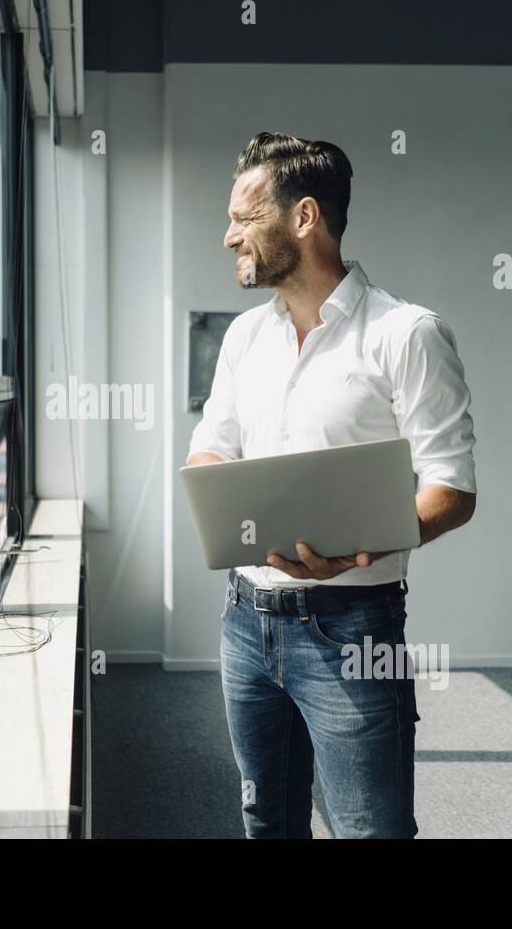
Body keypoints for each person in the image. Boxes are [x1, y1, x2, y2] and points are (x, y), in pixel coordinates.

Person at [186, 133, 477, 838]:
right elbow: (209, 450)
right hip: (245, 624)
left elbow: (453, 486)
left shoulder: (406, 333)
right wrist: (217, 492)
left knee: (369, 827)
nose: (229, 237)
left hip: (353, 628)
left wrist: (362, 546)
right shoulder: (244, 339)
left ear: (304, 217)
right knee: (267, 818)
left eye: (244, 218)